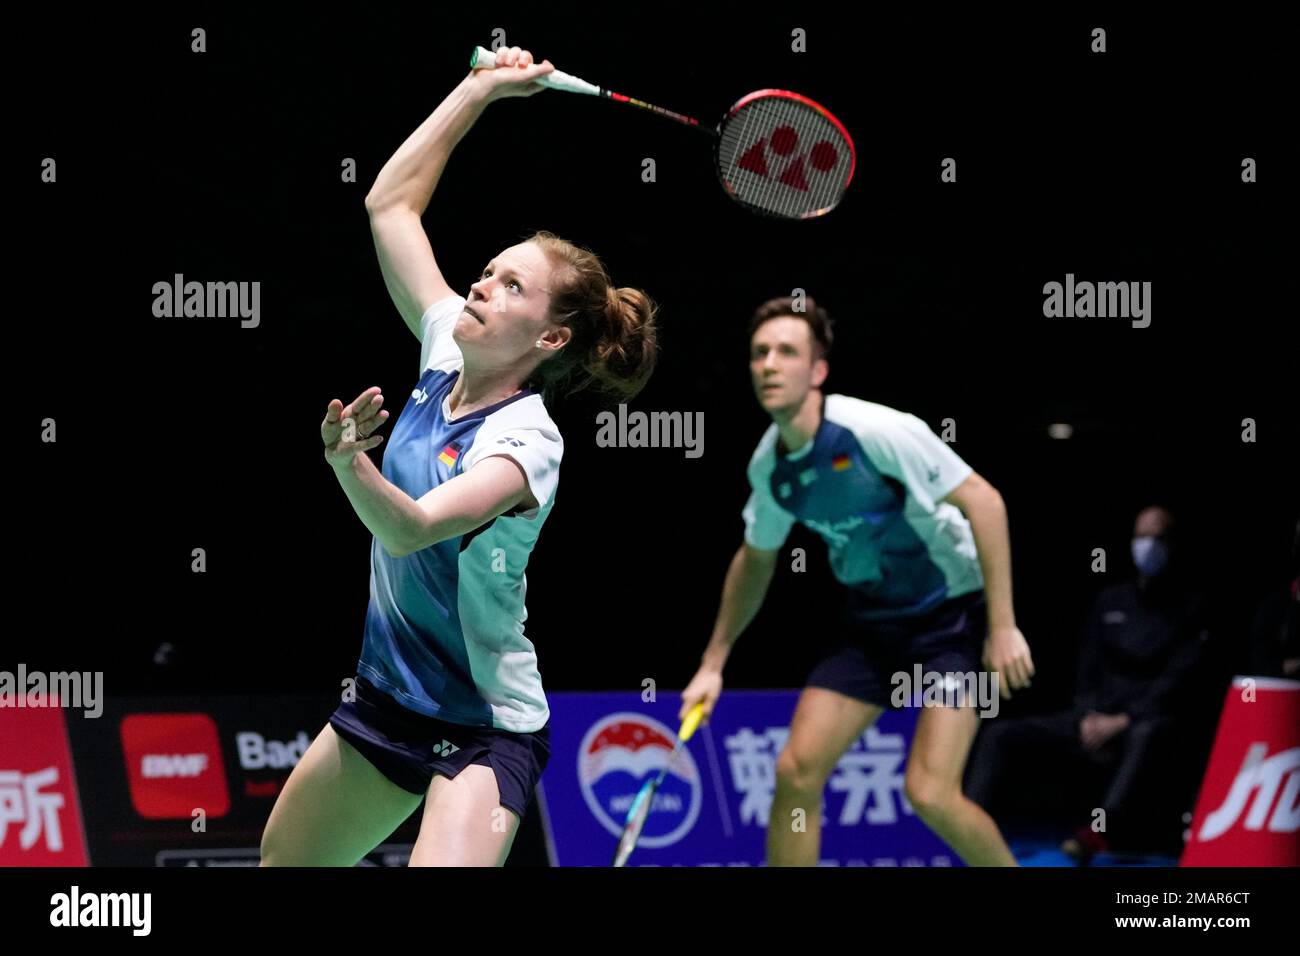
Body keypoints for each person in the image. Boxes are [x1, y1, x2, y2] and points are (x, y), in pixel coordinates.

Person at [260, 46, 658, 867]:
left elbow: (411, 530)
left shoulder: (526, 442)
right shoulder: (444, 351)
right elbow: (390, 206)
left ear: (550, 338)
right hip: (385, 700)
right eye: (486, 273)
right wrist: (478, 90)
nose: (480, 287)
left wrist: (348, 464)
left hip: (483, 729)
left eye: (512, 286)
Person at [679, 294, 1033, 866]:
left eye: (787, 352)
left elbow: (985, 503)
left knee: (930, 791)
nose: (769, 363)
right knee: (795, 771)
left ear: (817, 371)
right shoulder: (771, 466)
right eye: (759, 353)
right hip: (872, 623)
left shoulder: (877, 432)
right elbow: (757, 557)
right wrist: (713, 662)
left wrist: (1003, 625)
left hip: (953, 617)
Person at [965, 505, 1211, 862]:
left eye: (1158, 537)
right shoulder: (1110, 600)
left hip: (1143, 721)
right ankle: (969, 823)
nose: (1149, 546)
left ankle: (1096, 834)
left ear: (1174, 543)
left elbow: (1180, 679)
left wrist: (1124, 720)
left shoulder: (1192, 608)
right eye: (1142, 537)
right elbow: (1087, 668)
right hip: (1094, 715)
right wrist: (1087, 716)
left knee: (1149, 733)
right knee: (1000, 733)